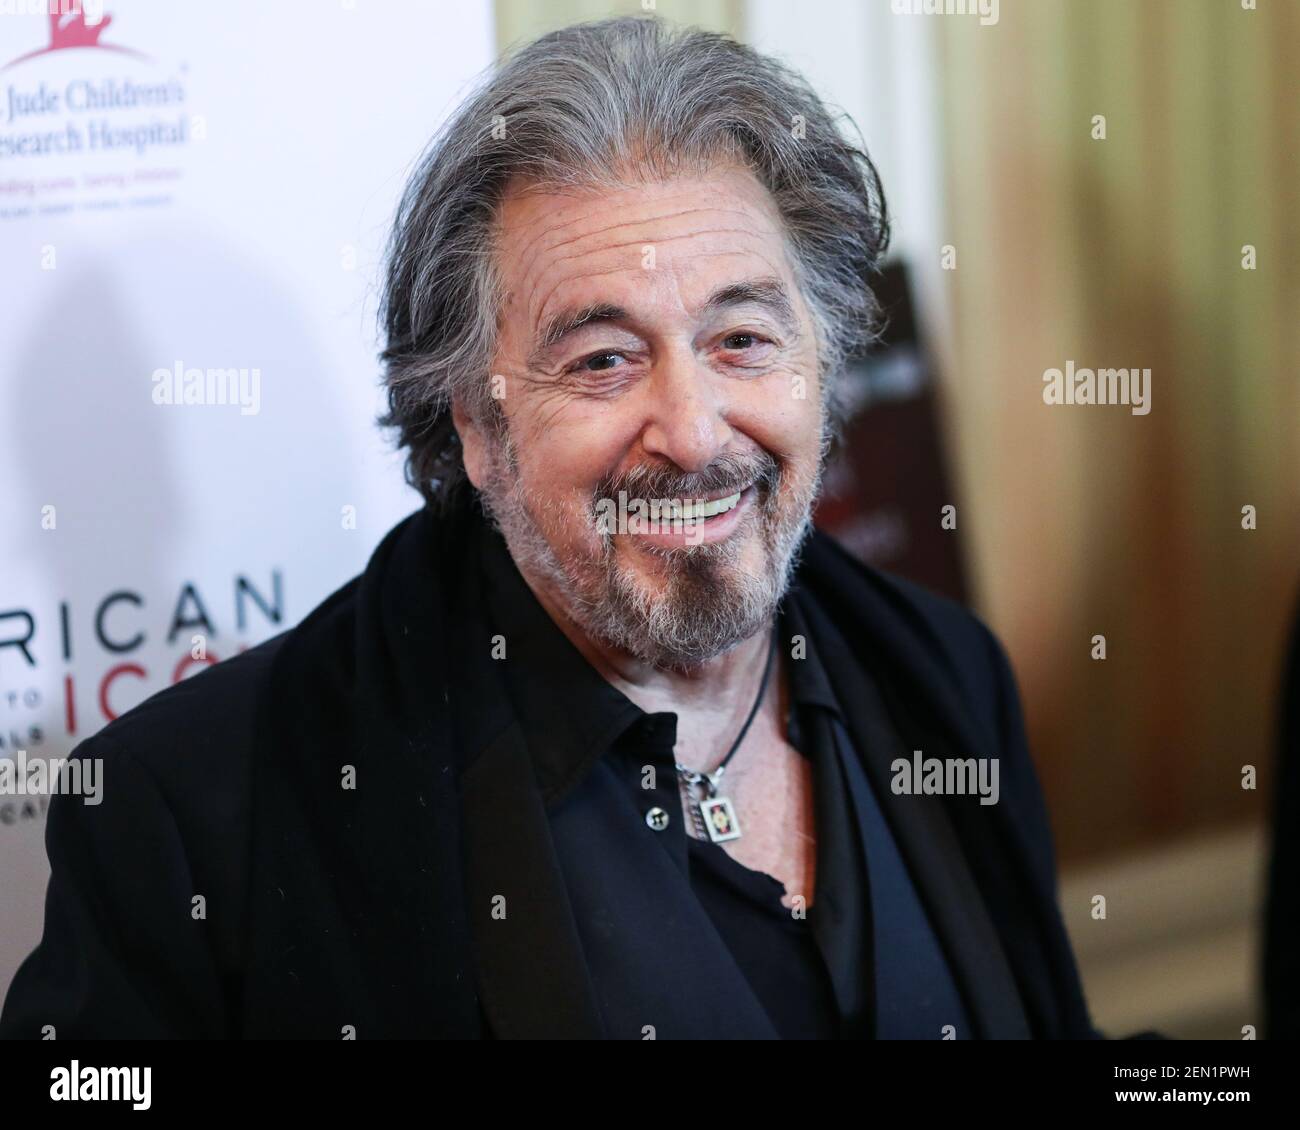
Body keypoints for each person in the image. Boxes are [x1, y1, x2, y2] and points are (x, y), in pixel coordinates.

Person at [1, 14, 1097, 1040]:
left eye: (742, 339)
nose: (692, 430)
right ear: (477, 423)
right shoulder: (198, 818)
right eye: (603, 359)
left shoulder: (945, 680)